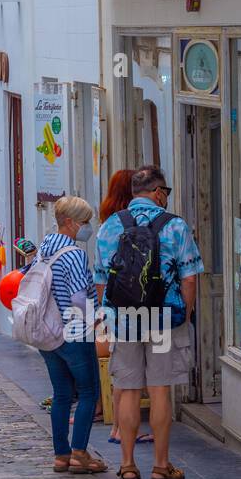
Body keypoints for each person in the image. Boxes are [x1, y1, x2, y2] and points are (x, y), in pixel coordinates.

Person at [94, 164, 203, 479]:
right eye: (164, 192)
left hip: (125, 319)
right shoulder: (175, 227)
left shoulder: (111, 226)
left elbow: (102, 280)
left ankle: (127, 465)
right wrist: (185, 312)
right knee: (159, 390)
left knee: (126, 389)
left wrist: (108, 316)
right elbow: (190, 276)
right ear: (157, 192)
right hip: (164, 318)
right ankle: (161, 465)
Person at [28, 196, 106, 475]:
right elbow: (78, 298)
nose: (89, 227)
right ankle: (80, 454)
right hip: (73, 331)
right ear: (71, 223)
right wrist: (94, 323)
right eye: (86, 222)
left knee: (61, 394)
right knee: (88, 392)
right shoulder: (73, 254)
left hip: (47, 332)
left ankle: (61, 454)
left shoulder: (44, 248)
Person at [97, 169, 141, 445]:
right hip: (144, 307)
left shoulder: (107, 225)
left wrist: (104, 312)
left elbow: (101, 275)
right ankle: (124, 431)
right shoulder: (141, 222)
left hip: (115, 308)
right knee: (136, 376)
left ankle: (117, 428)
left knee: (121, 371)